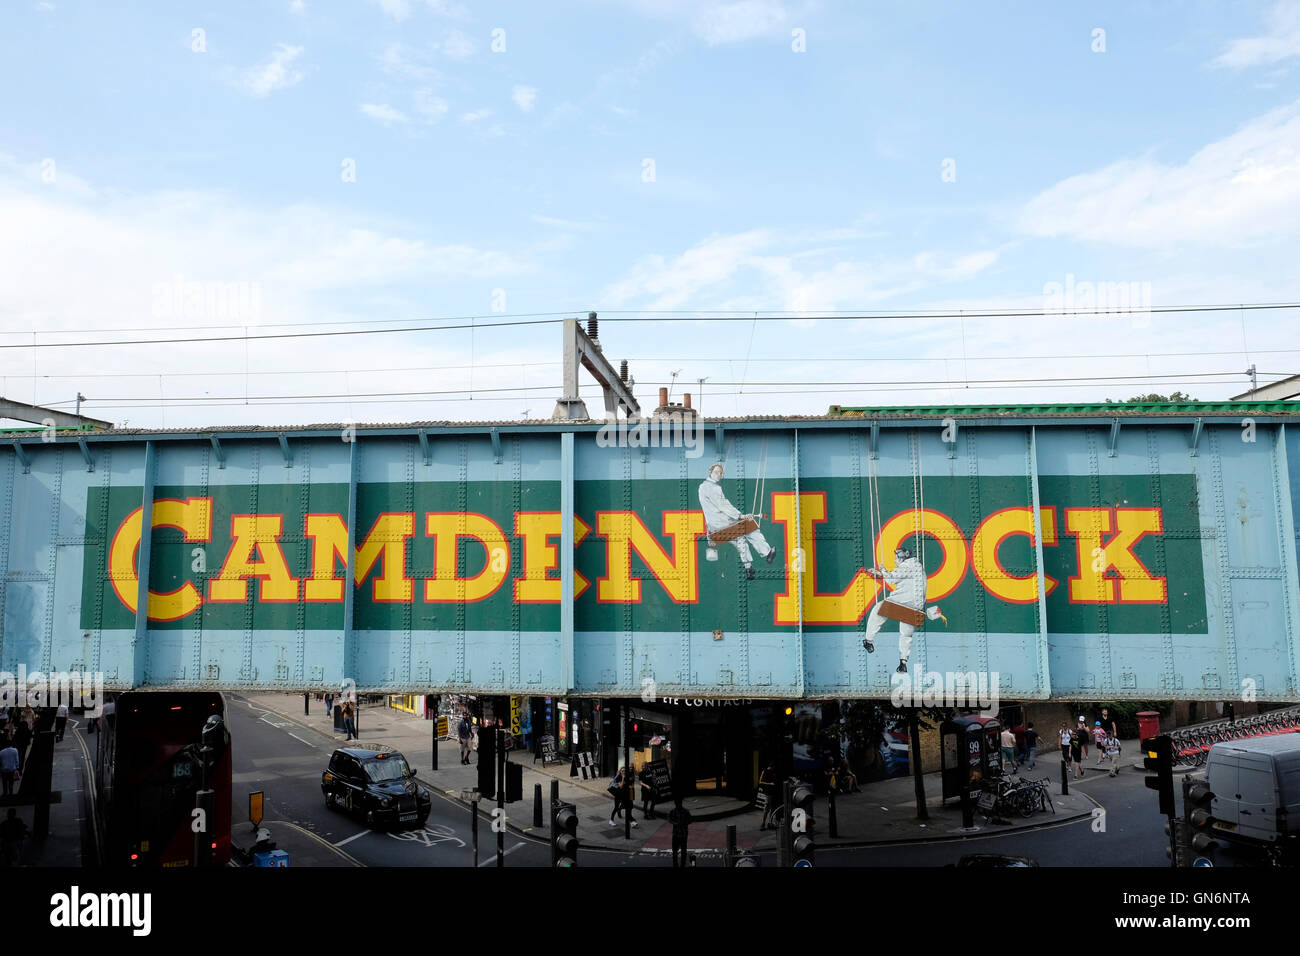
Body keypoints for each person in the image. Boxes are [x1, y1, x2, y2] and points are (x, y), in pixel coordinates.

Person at [698, 463, 776, 581]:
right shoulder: (714, 488)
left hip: (714, 528)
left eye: (720, 473)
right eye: (716, 472)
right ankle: (768, 552)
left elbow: (708, 512)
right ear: (710, 472)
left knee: (740, 540)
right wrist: (741, 516)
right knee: (751, 526)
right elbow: (723, 506)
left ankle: (748, 569)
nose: (718, 475)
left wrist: (709, 534)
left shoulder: (701, 487)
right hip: (723, 524)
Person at [863, 547, 926, 675]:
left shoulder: (907, 565)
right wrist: (881, 574)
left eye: (897, 556)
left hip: (901, 603)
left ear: (905, 556)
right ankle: (903, 662)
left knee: (877, 611)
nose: (895, 558)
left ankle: (868, 641)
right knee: (906, 635)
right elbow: (904, 577)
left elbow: (892, 579)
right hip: (916, 607)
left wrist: (883, 569)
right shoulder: (918, 566)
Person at [668, 799, 693, 868]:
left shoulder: (684, 812)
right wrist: (675, 823)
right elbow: (669, 819)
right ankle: (678, 864)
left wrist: (683, 823)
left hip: (681, 833)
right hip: (679, 833)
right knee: (678, 851)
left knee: (680, 851)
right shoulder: (674, 812)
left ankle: (680, 864)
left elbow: (690, 820)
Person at [758, 764, 778, 830]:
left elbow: (761, 782)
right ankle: (764, 823)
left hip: (771, 792)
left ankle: (769, 823)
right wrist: (770, 784)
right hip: (769, 793)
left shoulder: (768, 771)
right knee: (768, 809)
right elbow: (760, 782)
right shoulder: (766, 771)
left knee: (770, 809)